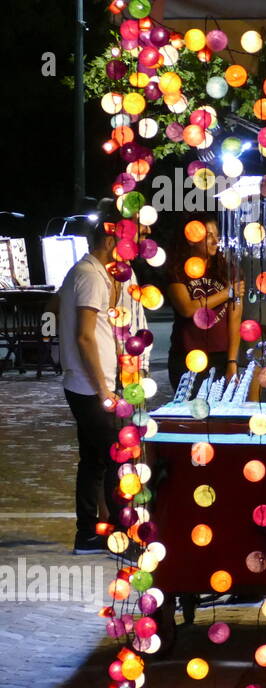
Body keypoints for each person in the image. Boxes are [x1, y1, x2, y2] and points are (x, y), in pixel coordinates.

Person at [56, 199, 137, 553]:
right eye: (127, 236)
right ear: (111, 237)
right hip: (89, 386)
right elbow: (85, 335)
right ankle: (122, 536)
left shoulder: (93, 273)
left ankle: (88, 533)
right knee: (116, 456)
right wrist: (105, 388)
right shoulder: (89, 275)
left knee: (93, 459)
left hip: (87, 383)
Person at [165, 215, 243, 392]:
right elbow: (187, 309)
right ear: (191, 239)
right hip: (186, 357)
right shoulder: (178, 271)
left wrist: (232, 361)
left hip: (221, 357)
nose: (215, 241)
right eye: (208, 236)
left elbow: (235, 318)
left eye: (217, 235)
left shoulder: (228, 271)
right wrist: (228, 292)